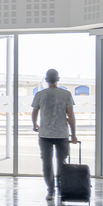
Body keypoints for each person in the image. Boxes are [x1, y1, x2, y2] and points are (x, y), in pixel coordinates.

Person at [30, 68, 76, 198]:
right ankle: (62, 189)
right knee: (62, 163)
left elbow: (34, 112)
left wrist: (35, 125)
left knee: (47, 163)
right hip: (62, 134)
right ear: (58, 79)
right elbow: (70, 116)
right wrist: (73, 134)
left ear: (46, 80)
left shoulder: (40, 94)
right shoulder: (66, 94)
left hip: (45, 134)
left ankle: (50, 190)